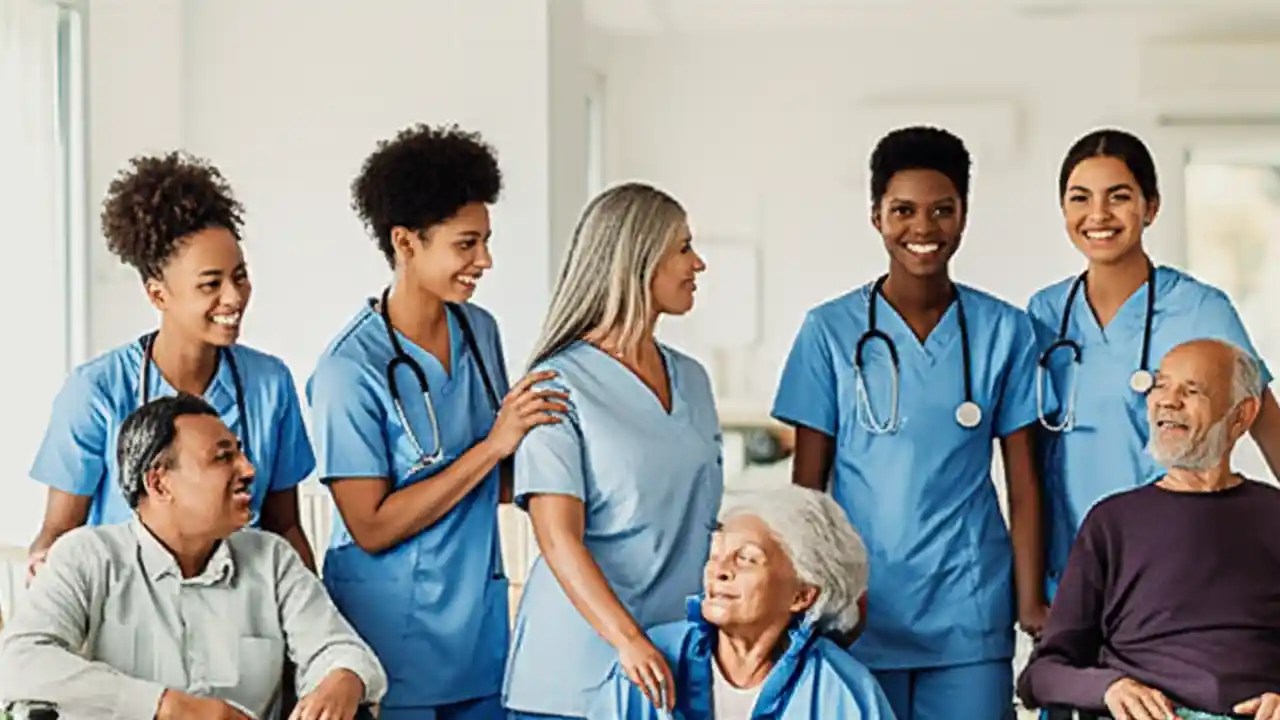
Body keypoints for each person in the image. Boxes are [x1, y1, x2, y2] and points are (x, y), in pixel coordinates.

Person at [771, 126, 1049, 720]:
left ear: (964, 216)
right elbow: (806, 493)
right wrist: (797, 599)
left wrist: (1031, 602)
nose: (923, 229)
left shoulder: (1006, 331)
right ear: (876, 216)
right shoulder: (829, 331)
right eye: (903, 210)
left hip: (968, 611)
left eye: (942, 210)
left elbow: (1025, 486)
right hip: (857, 610)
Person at [306, 124, 564, 720]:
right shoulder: (350, 369)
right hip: (389, 643)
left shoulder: (479, 332)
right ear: (406, 242)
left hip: (477, 634)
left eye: (487, 242)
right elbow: (369, 526)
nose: (485, 261)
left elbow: (501, 474)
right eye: (466, 244)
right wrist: (494, 446)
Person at [0, 395, 387, 720]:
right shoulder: (87, 557)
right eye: (223, 458)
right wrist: (167, 706)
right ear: (159, 482)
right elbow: (18, 663)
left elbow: (339, 648)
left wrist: (342, 676)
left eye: (241, 453)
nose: (249, 470)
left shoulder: (271, 559)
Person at [26, 151, 316, 576]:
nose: (234, 298)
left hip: (244, 613)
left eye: (239, 276)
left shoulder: (269, 384)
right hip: (127, 615)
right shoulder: (98, 391)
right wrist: (47, 579)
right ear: (158, 295)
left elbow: (284, 527)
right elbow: (59, 534)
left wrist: (313, 619)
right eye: (210, 284)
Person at [501, 183, 724, 720]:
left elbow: (701, 520)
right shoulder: (557, 383)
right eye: (684, 248)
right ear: (639, 261)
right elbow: (557, 537)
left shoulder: (691, 379)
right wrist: (627, 640)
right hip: (576, 673)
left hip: (674, 659)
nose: (699, 264)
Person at [1028, 128, 1280, 600]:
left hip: (1176, 565)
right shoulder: (1045, 313)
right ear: (1064, 210)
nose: (1098, 215)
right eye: (1080, 198)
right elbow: (1031, 458)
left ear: (1151, 206)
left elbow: (1266, 424)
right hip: (1074, 570)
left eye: (1118, 197)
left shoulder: (1200, 309)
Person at [1017, 339, 1280, 720]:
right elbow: (1040, 676)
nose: (1167, 401)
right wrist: (1109, 688)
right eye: (1160, 385)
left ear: (1241, 415)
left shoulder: (1273, 514)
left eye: (1192, 391)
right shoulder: (1112, 522)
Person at [587, 484, 898, 719]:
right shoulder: (649, 663)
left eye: (747, 559)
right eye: (715, 554)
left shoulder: (843, 692)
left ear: (802, 596)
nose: (720, 571)